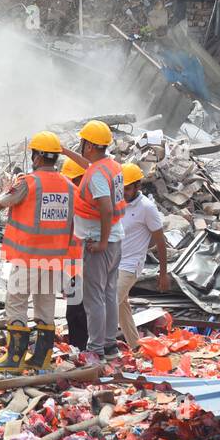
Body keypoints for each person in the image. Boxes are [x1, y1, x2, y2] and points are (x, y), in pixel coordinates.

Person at [0, 132, 75, 374]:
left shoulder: (28, 182)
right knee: (45, 305)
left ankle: (14, 358)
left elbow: (2, 202)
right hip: (54, 258)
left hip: (28, 257)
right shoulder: (68, 185)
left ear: (36, 156)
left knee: (16, 302)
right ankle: (42, 358)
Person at [62, 120, 125, 363]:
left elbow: (106, 209)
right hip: (115, 240)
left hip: (100, 243)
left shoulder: (98, 175)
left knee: (94, 297)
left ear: (89, 145)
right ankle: (109, 344)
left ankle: (96, 348)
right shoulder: (109, 166)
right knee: (108, 293)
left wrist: (100, 242)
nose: (80, 144)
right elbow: (89, 166)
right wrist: (65, 152)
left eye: (81, 141)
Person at [116, 163, 169, 350]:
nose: (124, 192)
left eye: (128, 188)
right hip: (113, 263)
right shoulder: (118, 202)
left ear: (138, 186)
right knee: (122, 307)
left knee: (108, 304)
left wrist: (163, 274)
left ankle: (99, 349)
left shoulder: (147, 207)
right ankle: (136, 347)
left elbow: (160, 242)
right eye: (121, 188)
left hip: (131, 265)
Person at [59, 157, 88, 352]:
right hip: (71, 263)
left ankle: (82, 347)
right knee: (74, 309)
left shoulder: (84, 201)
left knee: (78, 310)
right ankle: (79, 346)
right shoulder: (73, 199)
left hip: (82, 262)